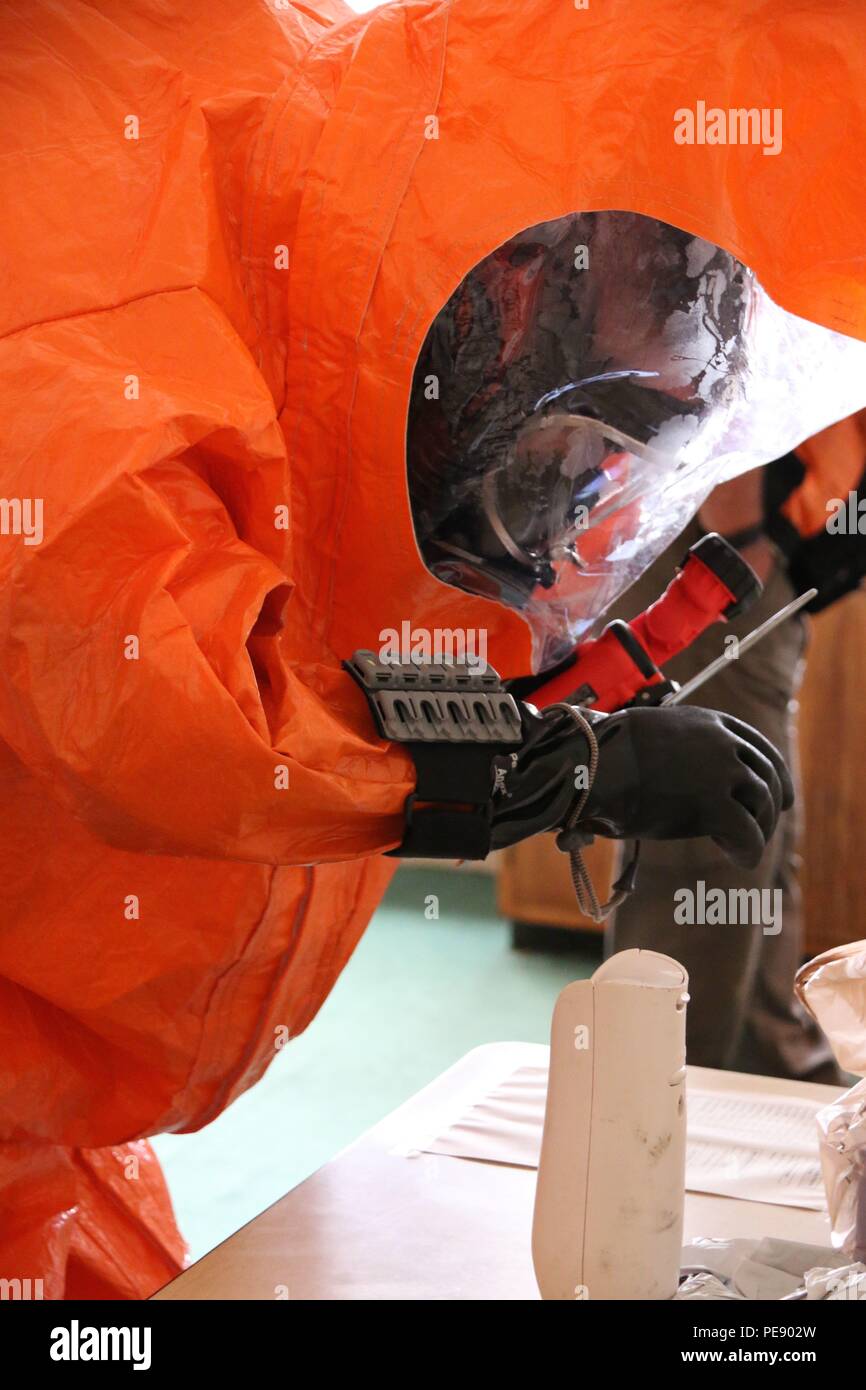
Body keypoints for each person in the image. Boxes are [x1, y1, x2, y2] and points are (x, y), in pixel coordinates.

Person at [1, 0, 865, 1299]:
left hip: (41, 1136)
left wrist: (799, 521)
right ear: (532, 264)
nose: (590, 482)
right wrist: (566, 769)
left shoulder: (380, 279)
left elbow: (390, 638)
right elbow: (167, 707)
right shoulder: (114, 234)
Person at [607, 415, 866, 1082]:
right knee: (705, 835)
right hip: (717, 539)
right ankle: (650, 1103)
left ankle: (770, 1067)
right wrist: (738, 531)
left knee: (760, 831)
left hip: (751, 540)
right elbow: (728, 342)